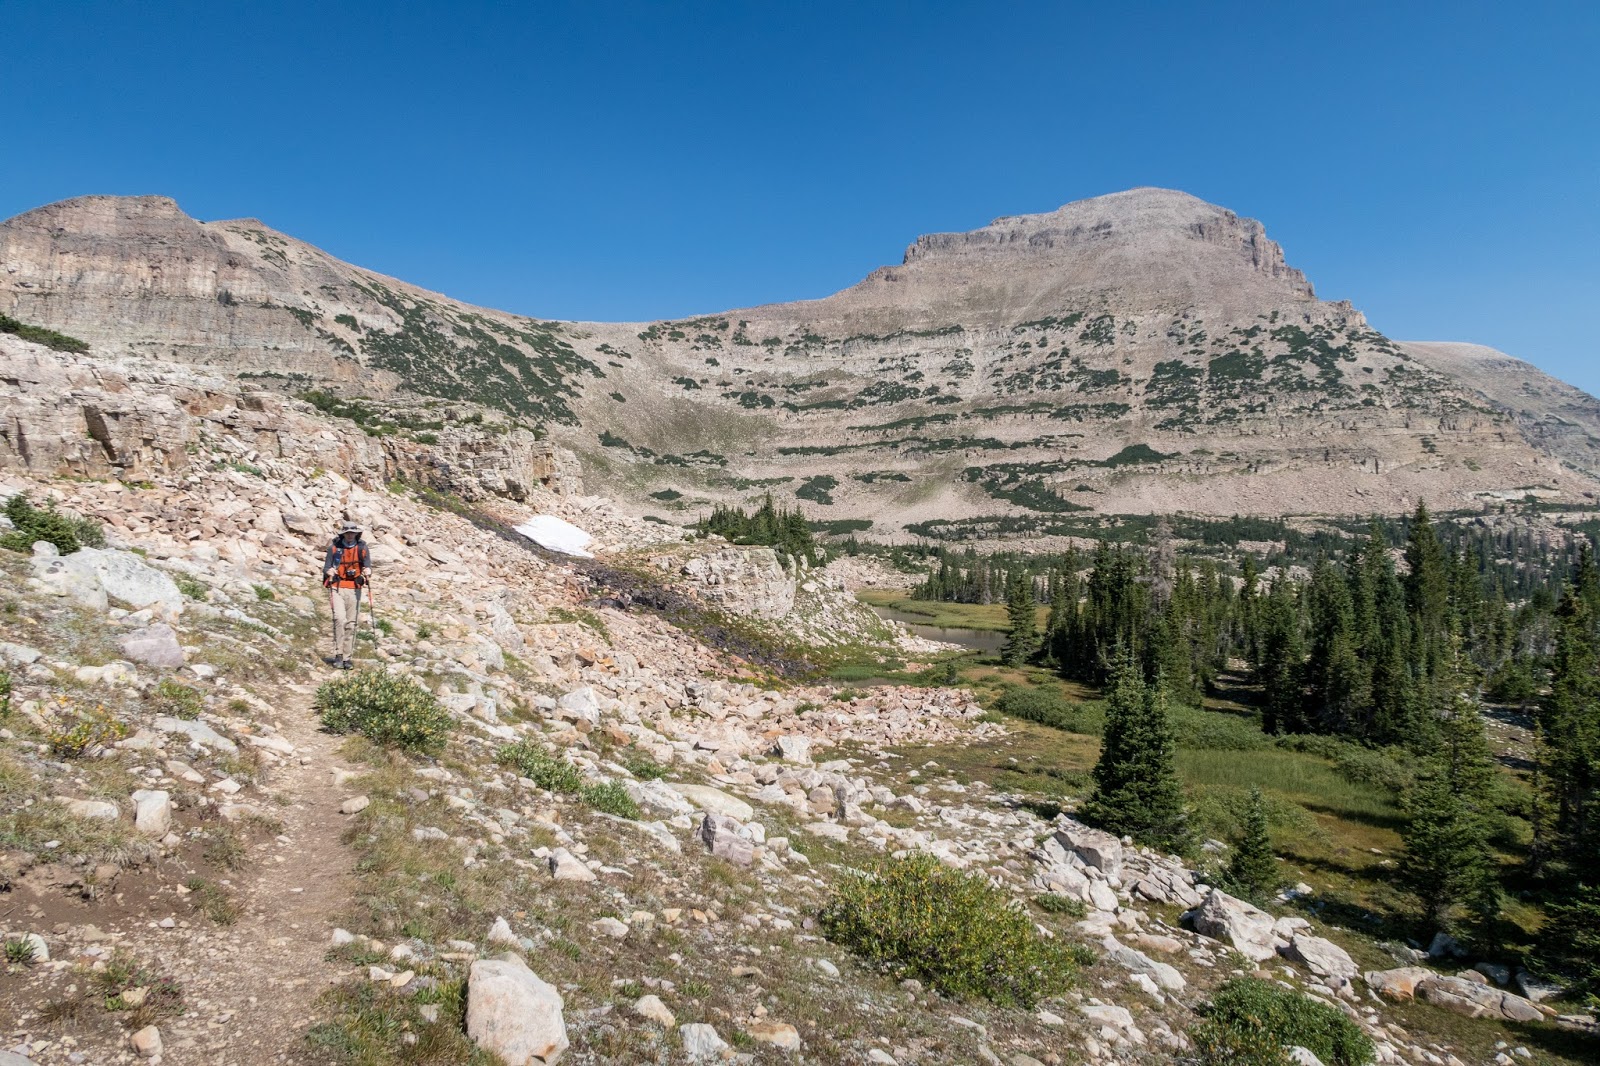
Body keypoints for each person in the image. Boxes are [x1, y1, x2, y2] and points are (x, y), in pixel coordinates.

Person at [322, 523, 370, 669]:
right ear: (343, 534)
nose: (350, 535)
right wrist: (329, 572)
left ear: (356, 534)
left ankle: (347, 657)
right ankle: (338, 654)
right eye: (347, 533)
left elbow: (367, 565)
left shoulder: (362, 548)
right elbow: (326, 567)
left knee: (351, 623)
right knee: (339, 618)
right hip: (337, 586)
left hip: (355, 588)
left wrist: (368, 571)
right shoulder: (334, 548)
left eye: (352, 533)